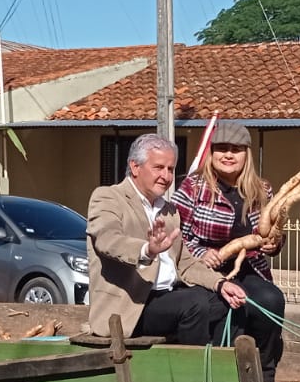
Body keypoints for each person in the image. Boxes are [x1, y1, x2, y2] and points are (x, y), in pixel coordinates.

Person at [86, 133, 247, 346]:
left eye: (170, 169)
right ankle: (192, 374)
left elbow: (186, 263)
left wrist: (220, 283)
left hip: (169, 296)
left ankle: (219, 368)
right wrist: (147, 250)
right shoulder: (108, 197)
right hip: (131, 306)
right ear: (135, 167)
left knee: (230, 301)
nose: (166, 176)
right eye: (158, 167)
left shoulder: (169, 211)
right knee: (194, 303)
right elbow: (107, 240)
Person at [172, 121, 287, 382]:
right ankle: (222, 377)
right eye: (222, 149)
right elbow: (176, 235)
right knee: (226, 307)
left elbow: (273, 231)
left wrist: (275, 243)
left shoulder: (262, 190)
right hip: (204, 270)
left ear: (246, 154)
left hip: (249, 267)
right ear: (211, 153)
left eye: (235, 149)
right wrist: (203, 254)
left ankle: (265, 372)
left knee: (271, 300)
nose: (228, 155)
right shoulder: (193, 188)